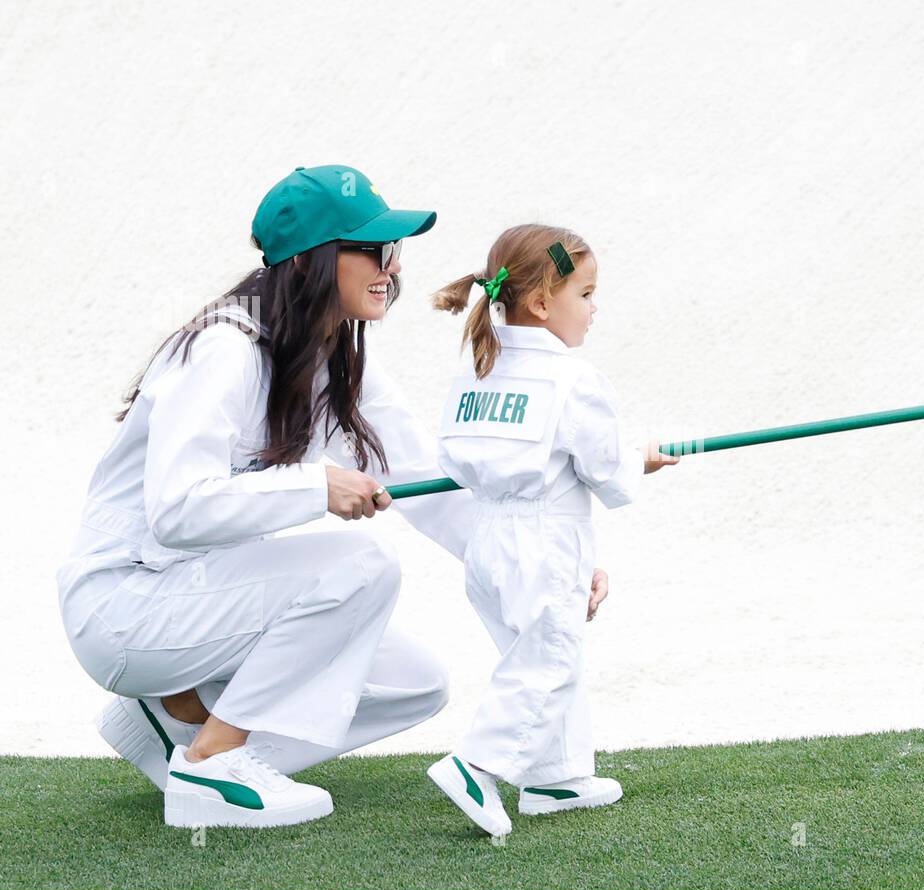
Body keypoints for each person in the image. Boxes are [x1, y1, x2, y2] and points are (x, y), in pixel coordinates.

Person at [54, 167, 612, 829]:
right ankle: (214, 761)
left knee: (414, 685)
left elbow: (423, 481)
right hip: (125, 609)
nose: (393, 266)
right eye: (375, 250)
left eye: (393, 250)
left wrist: (541, 564)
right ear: (315, 260)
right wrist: (315, 485)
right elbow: (176, 511)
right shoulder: (221, 351)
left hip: (198, 606)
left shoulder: (339, 356)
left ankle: (175, 721)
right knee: (361, 564)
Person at [424, 224, 677, 837]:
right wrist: (637, 457)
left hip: (487, 541)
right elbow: (606, 473)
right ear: (541, 303)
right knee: (550, 659)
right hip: (543, 540)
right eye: (586, 295)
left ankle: (555, 777)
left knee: (534, 651)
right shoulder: (573, 377)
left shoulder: (477, 369)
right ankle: (476, 766)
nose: (595, 309)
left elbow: (454, 461)